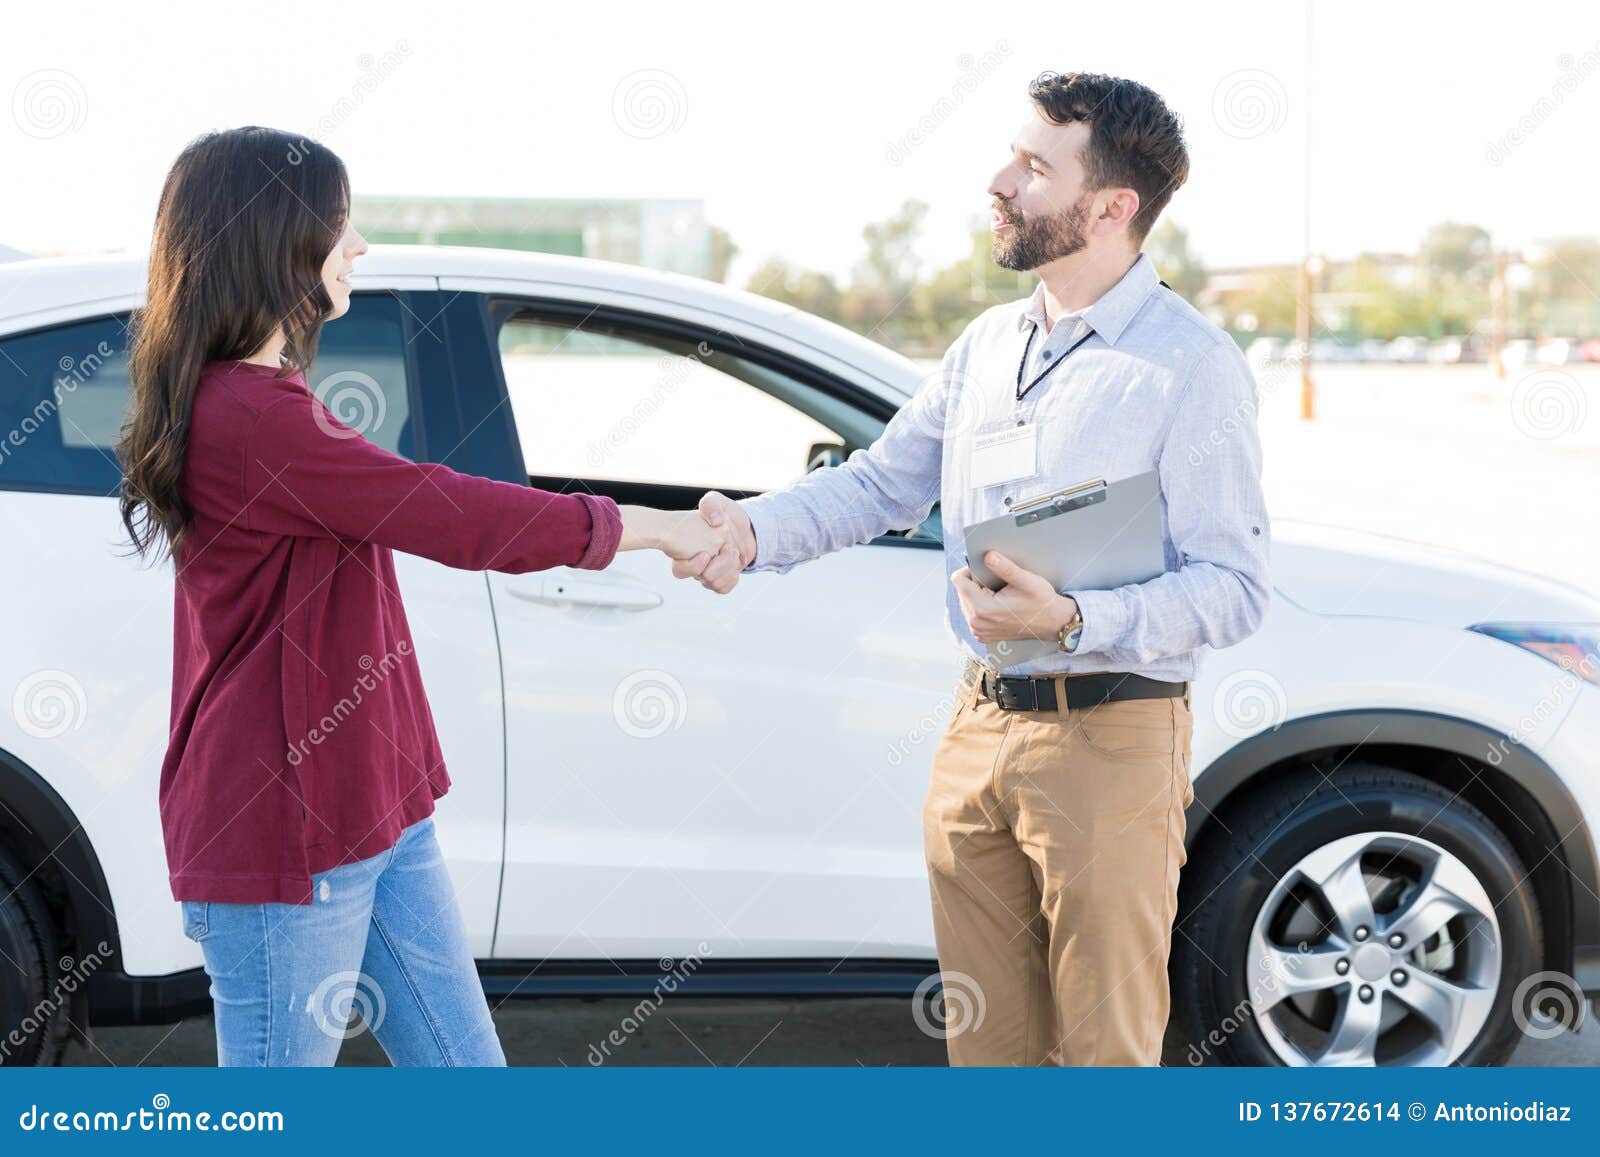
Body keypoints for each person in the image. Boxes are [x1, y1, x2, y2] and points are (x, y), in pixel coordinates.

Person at [677, 72, 1271, 1065]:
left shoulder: (1189, 367)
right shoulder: (988, 344)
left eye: (1036, 166)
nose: (999, 181)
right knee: (986, 1052)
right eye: (1011, 155)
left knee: (1102, 1054)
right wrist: (750, 533)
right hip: (975, 729)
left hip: (1110, 739)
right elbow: (878, 487)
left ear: (1112, 207)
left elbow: (1236, 586)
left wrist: (1073, 617)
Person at [116, 126, 732, 1066]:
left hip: (376, 811)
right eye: (342, 225)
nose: (358, 246)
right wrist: (649, 524)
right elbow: (452, 515)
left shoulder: (262, 403)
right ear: (278, 242)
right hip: (290, 837)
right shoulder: (250, 418)